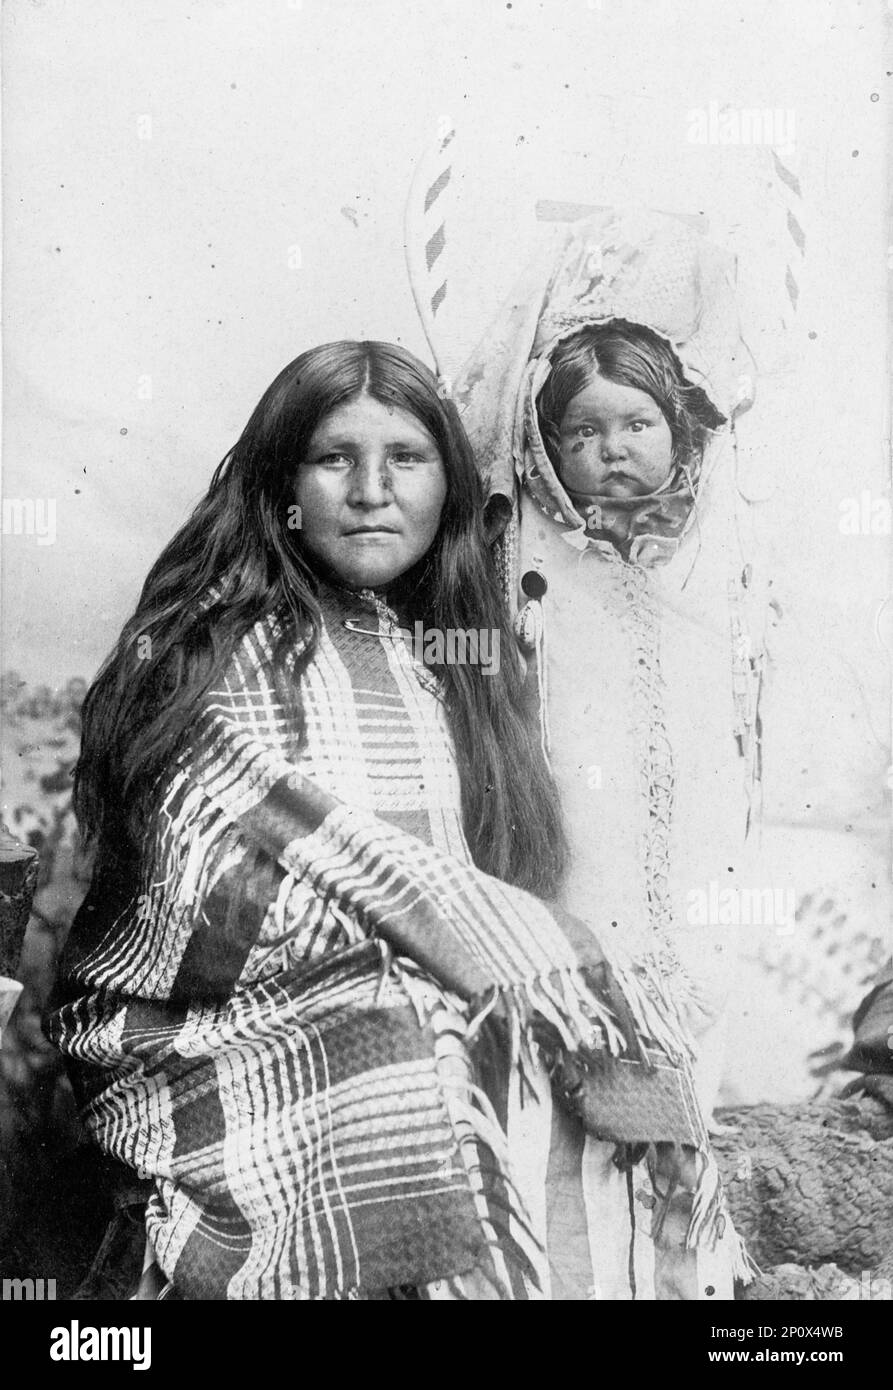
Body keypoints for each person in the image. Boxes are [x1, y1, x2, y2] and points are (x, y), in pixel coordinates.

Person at [48, 339, 734, 1300]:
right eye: (334, 459)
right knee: (421, 1067)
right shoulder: (212, 648)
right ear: (278, 482)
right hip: (208, 1029)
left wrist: (475, 963)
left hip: (402, 989)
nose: (371, 490)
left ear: (448, 485)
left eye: (405, 459)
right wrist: (447, 957)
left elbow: (459, 870)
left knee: (560, 1087)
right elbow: (213, 880)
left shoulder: (441, 654)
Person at [454, 208, 768, 1297]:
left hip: (685, 887)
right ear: (544, 447)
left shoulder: (706, 570)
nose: (610, 449)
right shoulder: (527, 570)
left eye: (634, 422)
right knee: (563, 1111)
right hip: (571, 886)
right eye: (580, 431)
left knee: (677, 1099)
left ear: (677, 430)